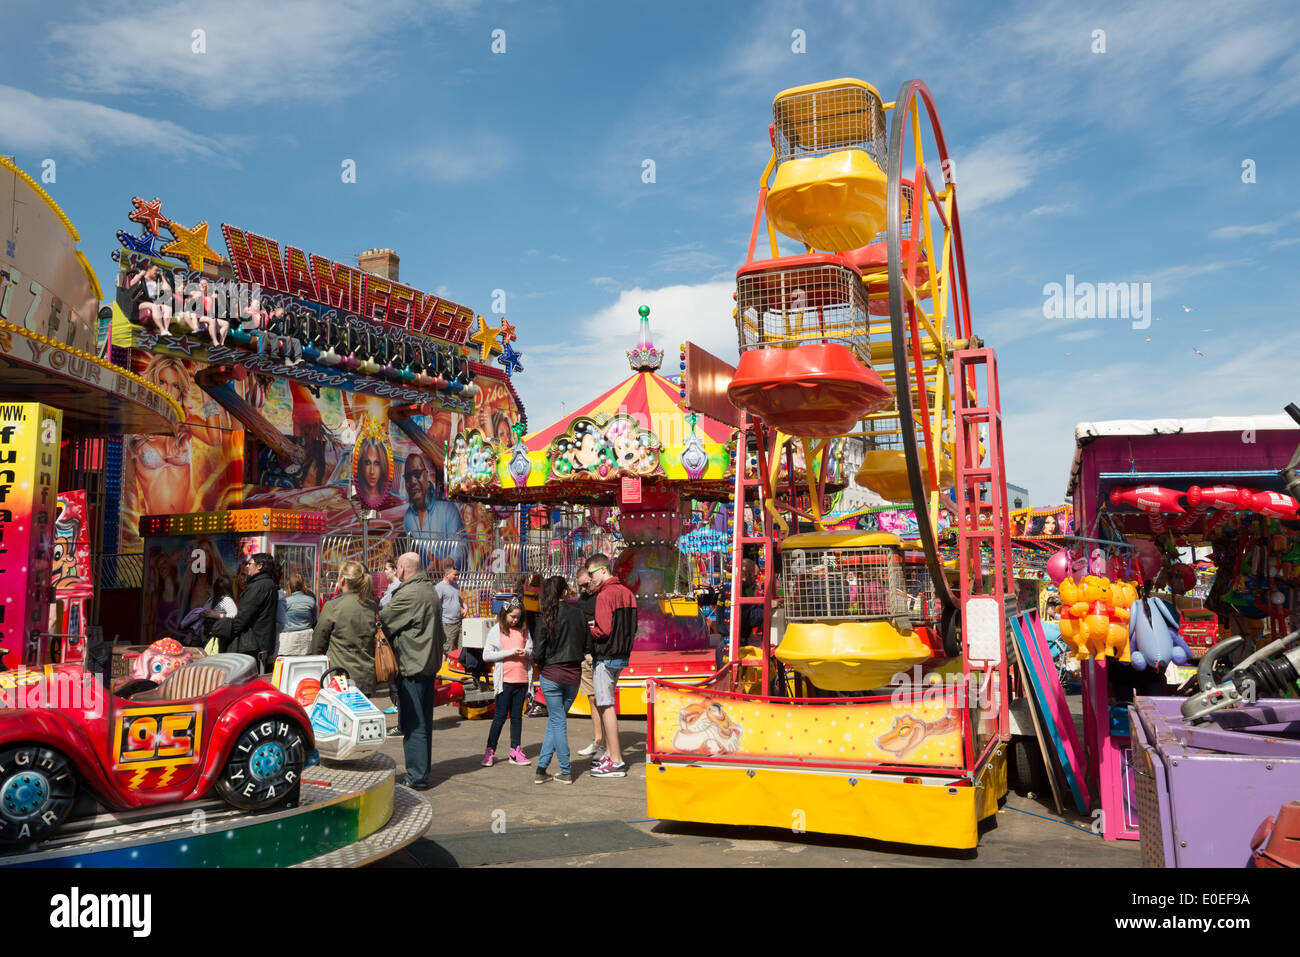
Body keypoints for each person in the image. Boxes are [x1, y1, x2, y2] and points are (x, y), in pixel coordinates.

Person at [379, 552, 445, 790]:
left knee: (414, 725)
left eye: (397, 569)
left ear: (403, 569)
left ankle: (417, 776)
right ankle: (421, 770)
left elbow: (383, 621)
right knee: (423, 722)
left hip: (412, 665)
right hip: (427, 664)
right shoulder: (429, 589)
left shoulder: (408, 593)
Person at [586, 553, 637, 778]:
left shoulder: (605, 595)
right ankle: (610, 754)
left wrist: (590, 629)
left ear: (603, 570)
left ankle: (615, 760)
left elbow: (604, 630)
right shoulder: (628, 593)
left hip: (605, 656)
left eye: (591, 574)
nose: (589, 579)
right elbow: (632, 627)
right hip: (622, 655)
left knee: (605, 705)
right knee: (606, 703)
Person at [531, 576, 585, 784]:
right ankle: (541, 769)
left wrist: (543, 666)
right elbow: (587, 644)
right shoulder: (579, 614)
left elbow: (537, 652)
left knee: (557, 722)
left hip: (551, 674)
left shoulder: (545, 616)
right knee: (557, 721)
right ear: (564, 592)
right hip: (573, 675)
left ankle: (565, 770)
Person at [312, 561, 378, 696]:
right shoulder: (371, 606)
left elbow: (318, 642)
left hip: (339, 677)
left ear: (342, 579)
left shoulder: (333, 606)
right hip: (365, 676)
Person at [480, 596, 532, 767]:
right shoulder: (497, 631)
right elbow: (487, 655)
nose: (515, 620)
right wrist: (509, 652)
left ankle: (515, 751)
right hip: (505, 682)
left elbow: (531, 650)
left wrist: (526, 653)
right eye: (512, 616)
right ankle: (490, 750)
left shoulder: (524, 631)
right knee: (499, 718)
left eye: (518, 617)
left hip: (521, 680)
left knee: (517, 717)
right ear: (505, 615)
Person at [211, 553, 281, 671]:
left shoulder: (258, 586)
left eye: (250, 563)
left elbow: (243, 617)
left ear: (259, 566)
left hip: (252, 645)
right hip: (260, 643)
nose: (247, 566)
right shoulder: (268, 584)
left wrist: (226, 629)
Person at [402, 452, 469, 568]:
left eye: (417, 474)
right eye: (408, 478)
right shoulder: (407, 517)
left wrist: (443, 565)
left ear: (426, 475)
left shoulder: (448, 509)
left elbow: (462, 545)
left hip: (448, 582)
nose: (413, 482)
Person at [574, 568, 604, 759]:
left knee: (602, 699)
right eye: (581, 586)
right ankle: (598, 739)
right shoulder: (582, 600)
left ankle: (605, 744)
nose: (585, 588)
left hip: (600, 652)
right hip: (586, 653)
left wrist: (597, 624)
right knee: (592, 698)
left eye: (587, 584)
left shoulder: (603, 597)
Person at [280, 570, 319, 657]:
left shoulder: (285, 601)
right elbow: (314, 620)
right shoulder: (311, 600)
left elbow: (280, 620)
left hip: (287, 641)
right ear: (302, 585)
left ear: (289, 586)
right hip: (306, 641)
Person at [435, 558, 463, 655]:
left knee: (461, 649)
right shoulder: (440, 587)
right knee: (448, 650)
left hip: (459, 621)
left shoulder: (455, 585)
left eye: (457, 575)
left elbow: (458, 598)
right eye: (454, 575)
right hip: (448, 624)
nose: (457, 577)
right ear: (447, 575)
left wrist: (465, 606)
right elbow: (436, 604)